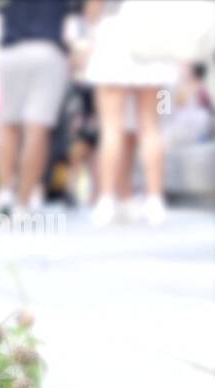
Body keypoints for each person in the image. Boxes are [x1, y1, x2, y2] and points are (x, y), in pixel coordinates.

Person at [83, 0, 182, 226]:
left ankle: (107, 199)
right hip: (154, 34)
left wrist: (91, 30)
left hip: (114, 31)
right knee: (151, 125)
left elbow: (93, 8)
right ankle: (154, 200)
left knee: (111, 126)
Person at [0, 0, 77, 217]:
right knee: (38, 128)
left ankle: (4, 194)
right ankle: (24, 201)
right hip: (48, 47)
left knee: (9, 124)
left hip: (11, 48)